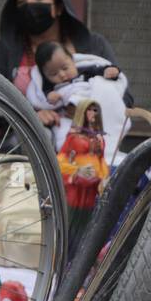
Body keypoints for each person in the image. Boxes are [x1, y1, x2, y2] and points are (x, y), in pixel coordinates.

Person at [0, 0, 129, 134]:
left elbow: (124, 97)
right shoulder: (7, 48)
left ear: (59, 8)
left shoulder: (94, 46)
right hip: (23, 142)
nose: (30, 5)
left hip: (88, 140)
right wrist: (30, 116)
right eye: (22, 2)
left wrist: (88, 111)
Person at [57, 99, 109, 250]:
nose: (93, 113)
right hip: (76, 187)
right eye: (89, 110)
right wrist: (76, 171)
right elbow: (60, 161)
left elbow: (101, 160)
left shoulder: (99, 137)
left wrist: (104, 178)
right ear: (82, 112)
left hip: (93, 188)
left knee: (88, 226)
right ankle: (64, 259)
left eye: (95, 110)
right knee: (71, 224)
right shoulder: (73, 137)